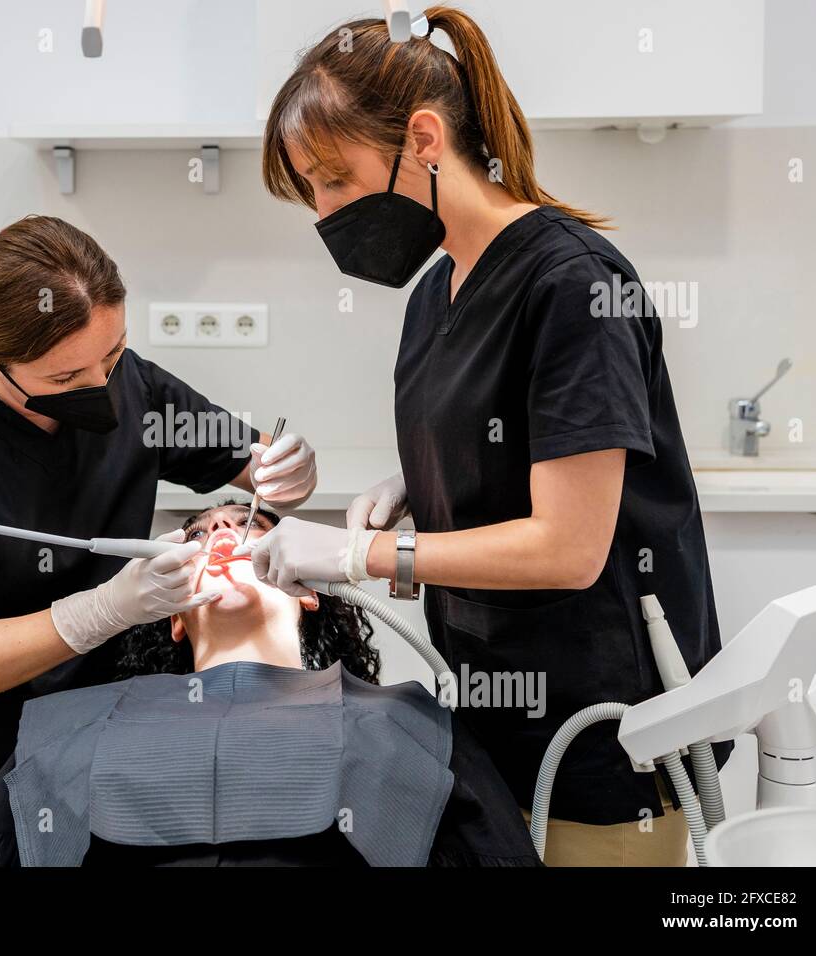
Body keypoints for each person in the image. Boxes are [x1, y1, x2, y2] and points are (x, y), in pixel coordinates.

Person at [244, 9, 725, 865]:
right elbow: (509, 434)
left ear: (423, 137)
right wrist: (416, 483)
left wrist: (357, 558)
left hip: (598, 730)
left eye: (334, 180)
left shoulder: (571, 284)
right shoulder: (440, 290)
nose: (323, 213)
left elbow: (567, 548)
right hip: (488, 711)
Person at [0, 216, 320, 866]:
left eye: (111, 356)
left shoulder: (134, 386)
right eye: (64, 381)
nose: (101, 388)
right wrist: (102, 610)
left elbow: (255, 470)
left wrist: (286, 469)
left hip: (89, 779)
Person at [0, 502, 540, 867]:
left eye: (248, 525)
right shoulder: (69, 724)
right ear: (172, 616)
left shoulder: (406, 722)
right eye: (202, 535)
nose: (223, 533)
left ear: (308, 588)